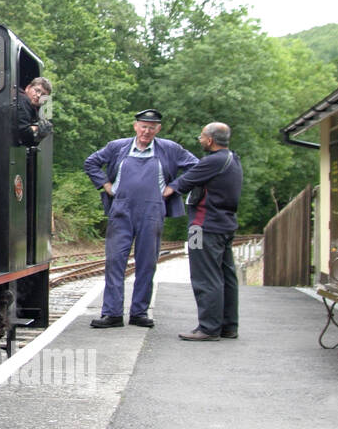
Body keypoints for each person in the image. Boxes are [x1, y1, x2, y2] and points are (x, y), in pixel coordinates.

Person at [83, 109, 198, 328]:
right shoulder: (117, 147)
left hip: (152, 212)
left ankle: (139, 312)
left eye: (151, 128)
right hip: (121, 210)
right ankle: (112, 313)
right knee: (115, 261)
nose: (147, 131)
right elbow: (91, 163)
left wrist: (175, 187)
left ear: (158, 129)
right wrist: (105, 185)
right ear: (135, 126)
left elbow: (196, 167)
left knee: (147, 263)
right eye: (143, 126)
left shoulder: (170, 149)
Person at [163, 123, 244, 341]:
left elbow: (180, 184)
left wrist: (158, 193)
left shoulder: (211, 161)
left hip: (202, 226)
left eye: (201, 137)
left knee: (204, 276)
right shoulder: (233, 159)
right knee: (226, 276)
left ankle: (208, 328)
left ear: (210, 140)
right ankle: (228, 326)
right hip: (225, 225)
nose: (199, 140)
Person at [14, 77, 53, 147]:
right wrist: (37, 128)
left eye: (43, 95)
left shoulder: (34, 109)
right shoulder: (23, 99)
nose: (38, 95)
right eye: (37, 90)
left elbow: (28, 142)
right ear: (28, 88)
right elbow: (22, 131)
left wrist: (39, 135)